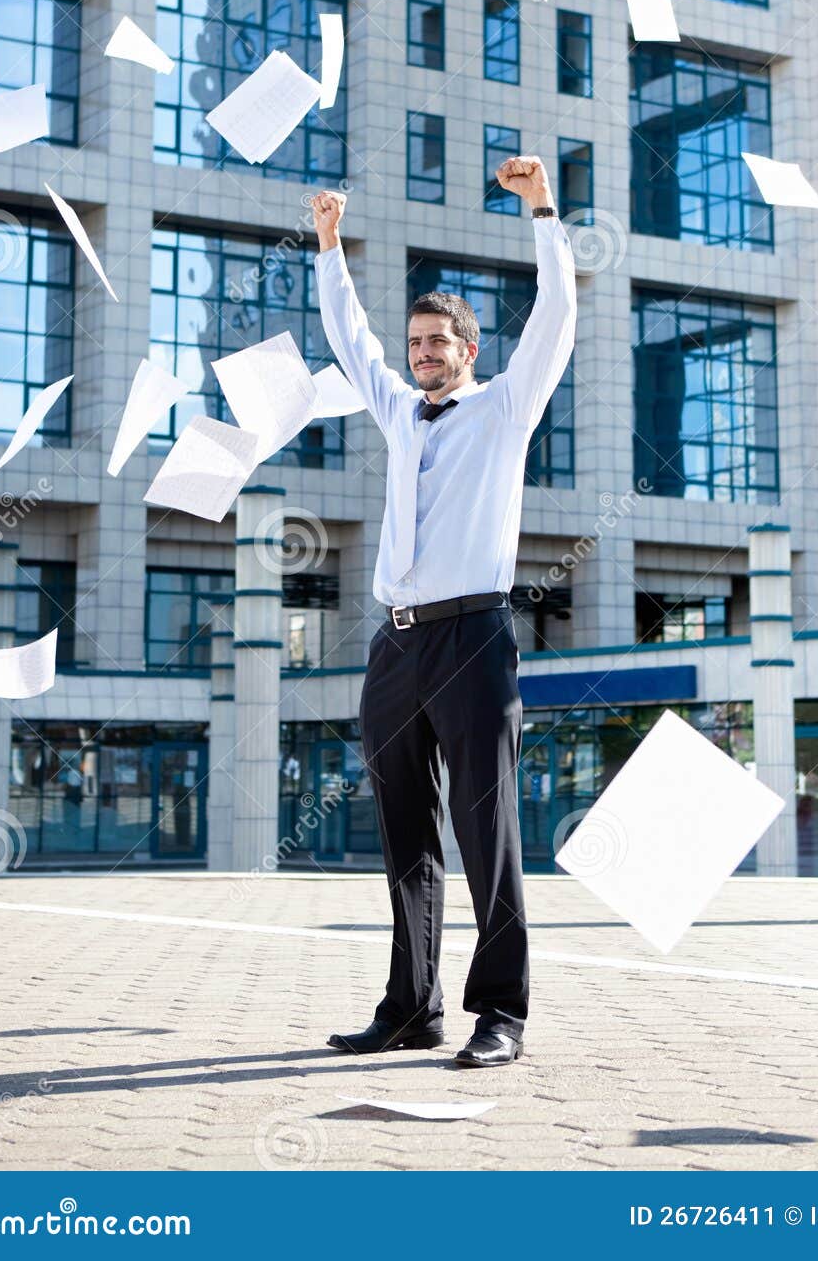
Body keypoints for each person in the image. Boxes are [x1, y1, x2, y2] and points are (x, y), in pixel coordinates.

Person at [310, 155, 577, 1068]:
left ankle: (500, 1011)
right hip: (395, 647)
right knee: (402, 835)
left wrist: (541, 210)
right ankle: (409, 1007)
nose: (422, 352)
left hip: (472, 639)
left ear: (469, 351)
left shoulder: (505, 410)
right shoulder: (397, 411)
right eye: (416, 342)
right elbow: (351, 341)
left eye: (438, 342)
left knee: (483, 830)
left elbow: (555, 316)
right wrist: (330, 246)